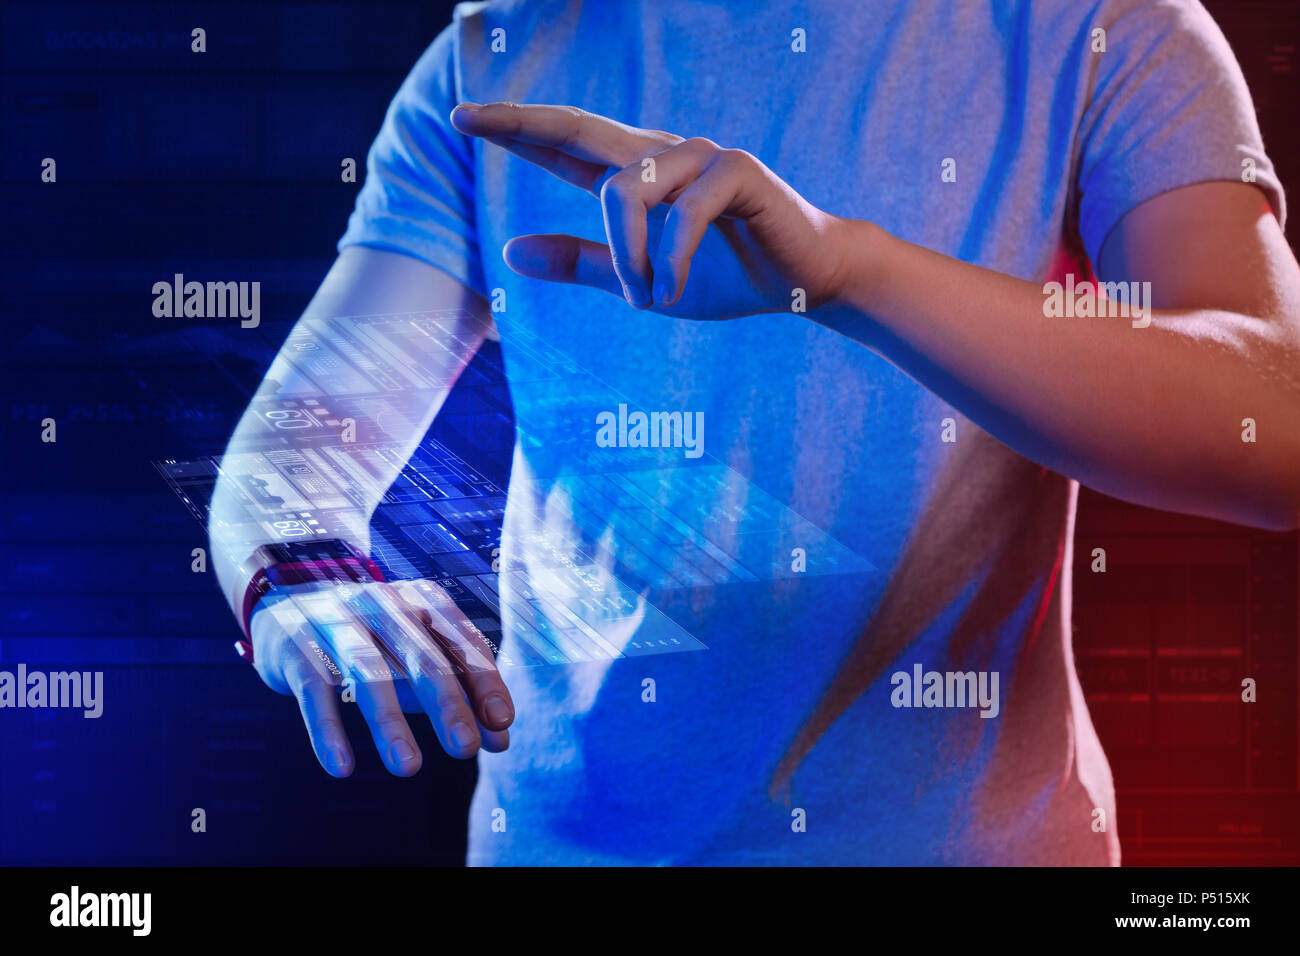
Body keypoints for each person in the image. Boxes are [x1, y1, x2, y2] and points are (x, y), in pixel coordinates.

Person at [209, 0, 1300, 865]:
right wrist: (300, 562)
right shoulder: (491, 60)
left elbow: (1278, 423)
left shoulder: (1104, 27)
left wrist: (849, 275)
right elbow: (317, 421)